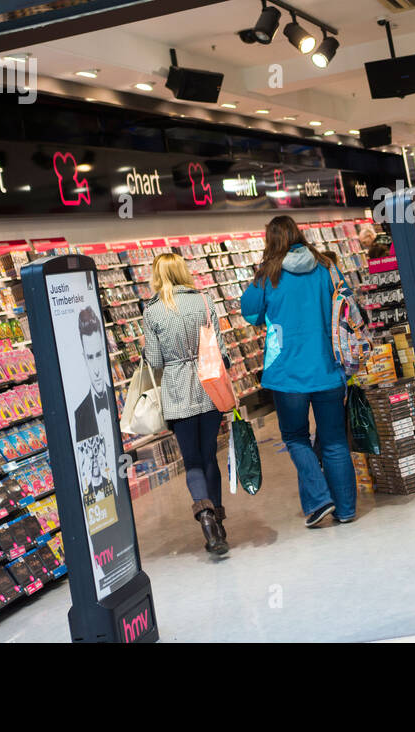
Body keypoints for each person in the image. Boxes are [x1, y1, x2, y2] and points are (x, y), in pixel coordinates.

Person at [240, 215, 357, 527]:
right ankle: (346, 509)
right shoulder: (326, 267)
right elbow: (348, 304)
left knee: (295, 437)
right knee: (334, 441)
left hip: (286, 373)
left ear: (271, 241)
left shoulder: (268, 274)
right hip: (329, 367)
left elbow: (249, 312)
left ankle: (320, 500)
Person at [141, 252, 230, 555]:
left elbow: (154, 361)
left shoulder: (152, 311)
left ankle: (204, 519)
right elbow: (220, 347)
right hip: (208, 388)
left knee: (191, 461)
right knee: (209, 457)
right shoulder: (203, 301)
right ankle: (218, 521)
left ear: (157, 275)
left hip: (177, 392)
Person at [74, 307, 109, 442]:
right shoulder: (80, 414)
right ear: (84, 359)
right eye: (90, 357)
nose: (96, 371)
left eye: (98, 355)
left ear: (104, 351)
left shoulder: (119, 399)